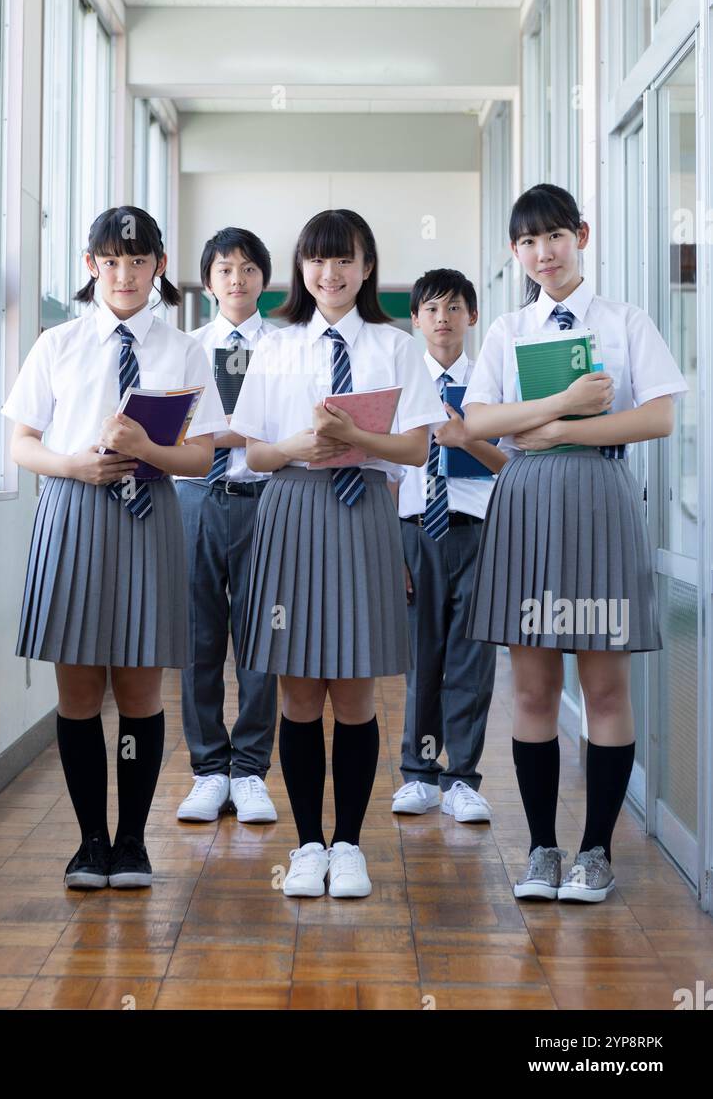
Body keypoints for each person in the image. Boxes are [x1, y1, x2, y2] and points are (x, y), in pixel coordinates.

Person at [462, 183, 687, 902]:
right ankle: (540, 851)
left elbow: (656, 420)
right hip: (527, 505)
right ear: (514, 252)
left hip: (600, 499)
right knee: (532, 689)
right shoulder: (507, 330)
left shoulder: (625, 321)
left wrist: (557, 431)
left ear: (581, 236)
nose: (543, 252)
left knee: (605, 686)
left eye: (554, 236)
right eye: (528, 242)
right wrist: (562, 402)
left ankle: (595, 850)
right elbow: (477, 422)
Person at [1, 206, 227, 891]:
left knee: (138, 688)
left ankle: (131, 842)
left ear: (160, 267)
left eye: (137, 261)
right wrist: (75, 466)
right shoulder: (57, 344)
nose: (123, 274)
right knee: (77, 691)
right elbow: (21, 443)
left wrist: (145, 449)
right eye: (110, 261)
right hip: (72, 513)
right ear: (89, 266)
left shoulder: (185, 349)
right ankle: (88, 841)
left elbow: (200, 457)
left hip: (148, 514)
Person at [230, 209, 446, 898]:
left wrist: (357, 437)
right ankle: (305, 847)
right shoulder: (275, 344)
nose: (331, 273)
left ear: (367, 266)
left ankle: (349, 843)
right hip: (293, 509)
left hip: (366, 516)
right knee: (297, 690)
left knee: (356, 691)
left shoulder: (395, 344)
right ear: (302, 268)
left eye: (345, 259)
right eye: (319, 260)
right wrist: (301, 444)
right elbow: (252, 453)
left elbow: (415, 448)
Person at [392, 269, 507, 823]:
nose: (444, 319)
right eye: (432, 309)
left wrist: (470, 436)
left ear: (472, 317)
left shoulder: (490, 385)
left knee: (471, 661)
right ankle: (418, 772)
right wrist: (392, 549)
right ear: (415, 319)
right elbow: (387, 469)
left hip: (477, 532)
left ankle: (461, 777)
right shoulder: (401, 384)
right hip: (415, 532)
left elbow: (510, 465)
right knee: (421, 659)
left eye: (455, 308)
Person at [175, 227, 280, 825]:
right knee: (198, 641)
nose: (235, 280)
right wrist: (245, 428)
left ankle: (251, 770)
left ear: (263, 278)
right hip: (193, 497)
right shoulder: (185, 347)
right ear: (208, 280)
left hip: (263, 497)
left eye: (246, 269)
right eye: (223, 270)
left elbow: (294, 426)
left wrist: (217, 430)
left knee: (261, 638)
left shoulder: (288, 346)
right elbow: (167, 431)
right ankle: (208, 769)